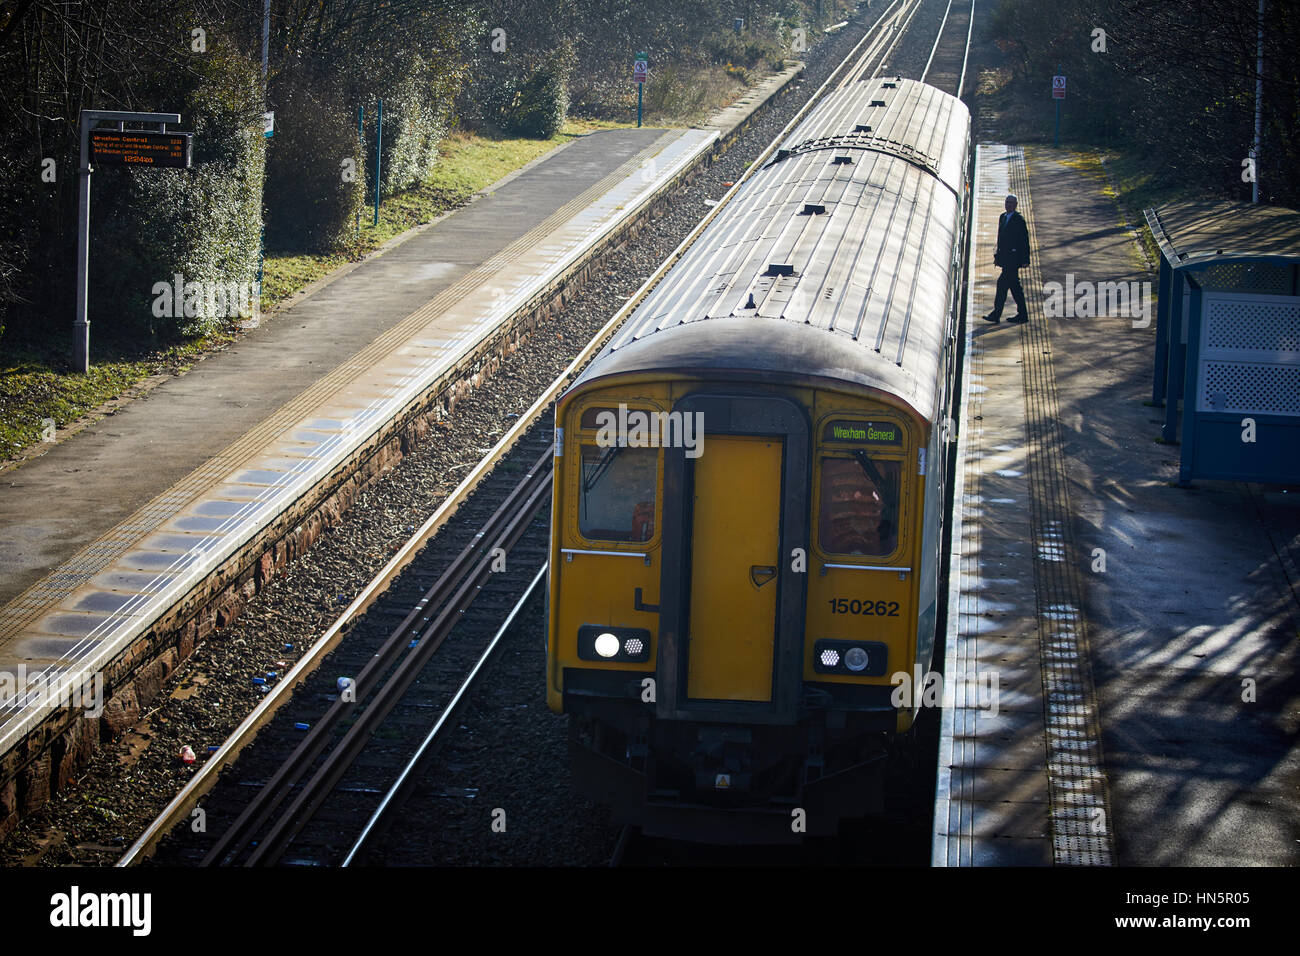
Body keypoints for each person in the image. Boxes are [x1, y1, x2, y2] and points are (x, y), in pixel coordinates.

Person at [983, 194, 1029, 323]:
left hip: (1013, 260)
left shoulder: (1019, 220)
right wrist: (998, 256)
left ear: (1015, 205)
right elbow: (1000, 239)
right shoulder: (1002, 217)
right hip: (1005, 259)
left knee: (1003, 285)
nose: (1008, 205)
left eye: (1011, 203)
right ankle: (1022, 315)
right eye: (1007, 202)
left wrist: (1025, 260)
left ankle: (997, 314)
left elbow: (1024, 241)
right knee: (1015, 288)